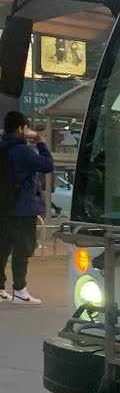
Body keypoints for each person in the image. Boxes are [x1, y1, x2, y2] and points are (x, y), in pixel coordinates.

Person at [0, 111, 53, 304]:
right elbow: (47, 165)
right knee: (23, 249)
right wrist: (40, 142)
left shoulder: (2, 147)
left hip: (3, 208)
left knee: (2, 248)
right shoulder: (22, 150)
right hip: (23, 208)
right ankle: (19, 291)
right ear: (21, 128)